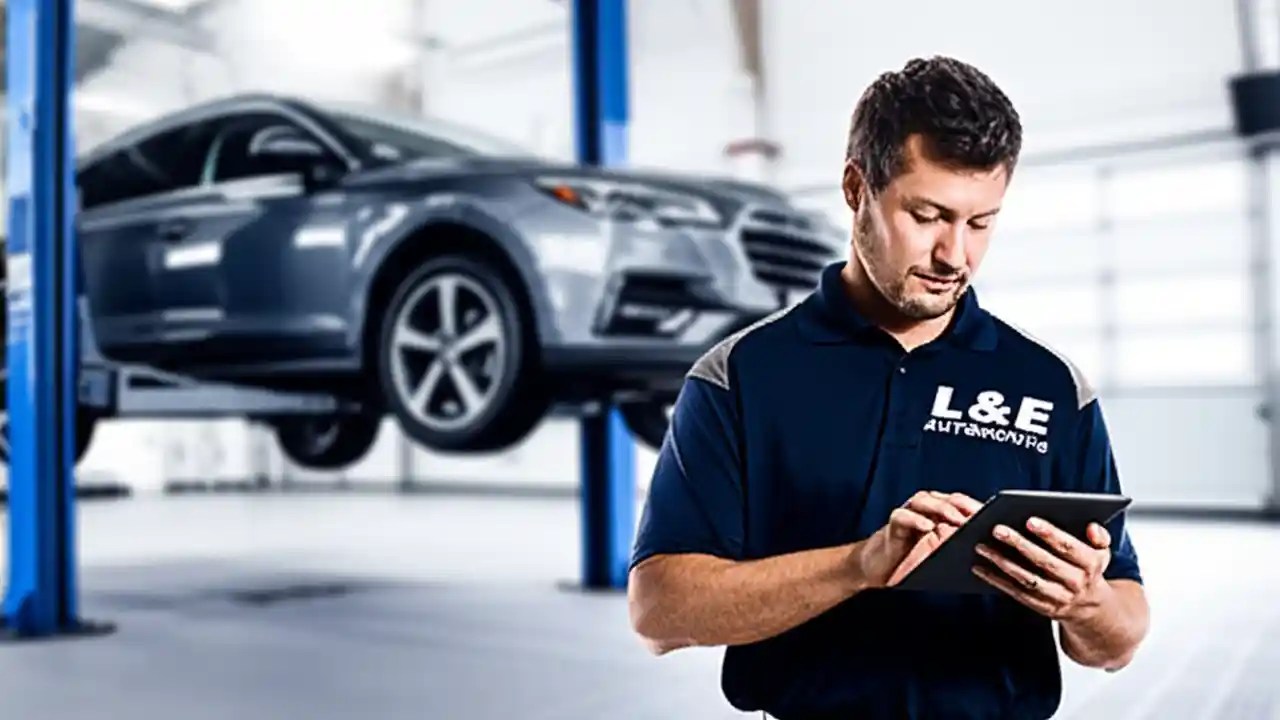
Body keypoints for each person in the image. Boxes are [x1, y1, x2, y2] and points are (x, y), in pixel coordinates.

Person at [625, 56, 1150, 720]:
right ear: (855, 188)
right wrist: (859, 565)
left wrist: (1085, 602)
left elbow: (1123, 633)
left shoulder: (1051, 388)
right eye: (928, 215)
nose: (954, 255)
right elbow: (658, 612)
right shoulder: (742, 377)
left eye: (980, 223)